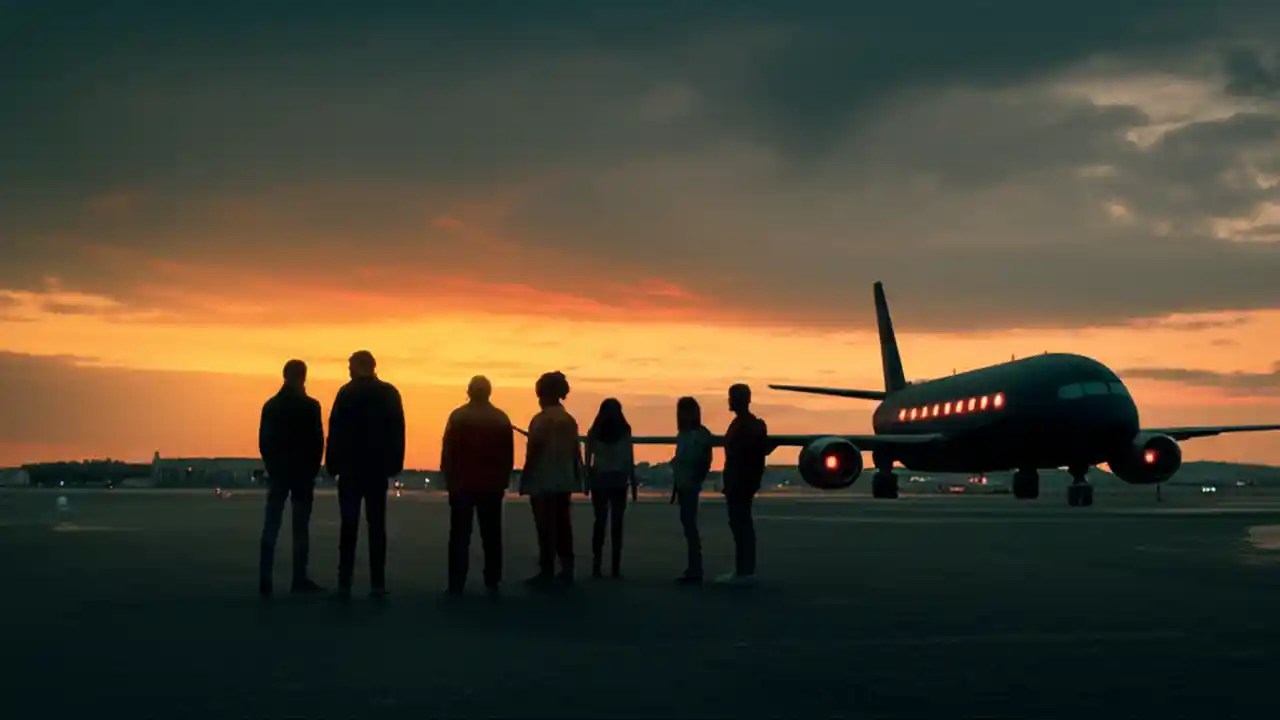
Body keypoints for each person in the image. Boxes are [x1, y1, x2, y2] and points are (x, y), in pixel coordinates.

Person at [326, 350, 405, 600]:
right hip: (376, 469)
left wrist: (332, 465)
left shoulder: (346, 393)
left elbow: (335, 431)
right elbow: (397, 431)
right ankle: (377, 582)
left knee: (348, 527)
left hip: (350, 469)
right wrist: (394, 464)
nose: (348, 370)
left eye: (351, 366)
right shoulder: (389, 393)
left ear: (360, 366)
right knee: (376, 526)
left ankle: (344, 582)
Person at [440, 375, 514, 595]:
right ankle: (492, 578)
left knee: (459, 536)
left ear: (469, 391)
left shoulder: (458, 416)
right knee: (492, 535)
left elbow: (449, 451)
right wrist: (503, 480)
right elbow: (507, 455)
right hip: (491, 485)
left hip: (462, 484)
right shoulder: (500, 418)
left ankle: (456, 581)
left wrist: (449, 479)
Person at [257, 359, 325, 597]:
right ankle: (299, 578)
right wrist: (312, 469)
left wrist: (273, 467)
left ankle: (265, 579)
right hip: (302, 475)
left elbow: (264, 442)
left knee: (271, 526)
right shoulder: (310, 406)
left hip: (279, 473)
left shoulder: (271, 406)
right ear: (303, 377)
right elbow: (318, 443)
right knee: (300, 528)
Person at [519, 371, 584, 587]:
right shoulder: (569, 420)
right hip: (563, 480)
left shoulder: (540, 421)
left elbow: (534, 453)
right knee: (563, 525)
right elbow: (576, 453)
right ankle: (567, 569)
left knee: (545, 527)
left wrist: (525, 479)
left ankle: (546, 569)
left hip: (542, 480)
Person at [719, 383, 769, 585]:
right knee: (740, 524)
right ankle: (744, 567)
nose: (730, 401)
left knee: (741, 525)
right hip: (740, 481)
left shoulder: (746, 426)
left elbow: (749, 454)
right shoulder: (746, 424)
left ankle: (745, 569)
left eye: (733, 397)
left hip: (740, 482)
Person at [585, 398, 636, 579]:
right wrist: (633, 480)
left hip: (600, 480)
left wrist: (586, 481)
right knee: (617, 524)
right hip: (619, 480)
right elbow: (629, 457)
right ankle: (615, 566)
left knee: (600, 522)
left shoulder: (594, 432)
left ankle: (597, 564)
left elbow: (588, 461)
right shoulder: (625, 431)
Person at [670, 396, 713, 584]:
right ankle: (694, 567)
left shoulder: (698, 434)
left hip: (690, 484)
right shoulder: (685, 434)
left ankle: (696, 568)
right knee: (688, 526)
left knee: (690, 526)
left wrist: (695, 476)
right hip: (683, 484)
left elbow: (704, 460)